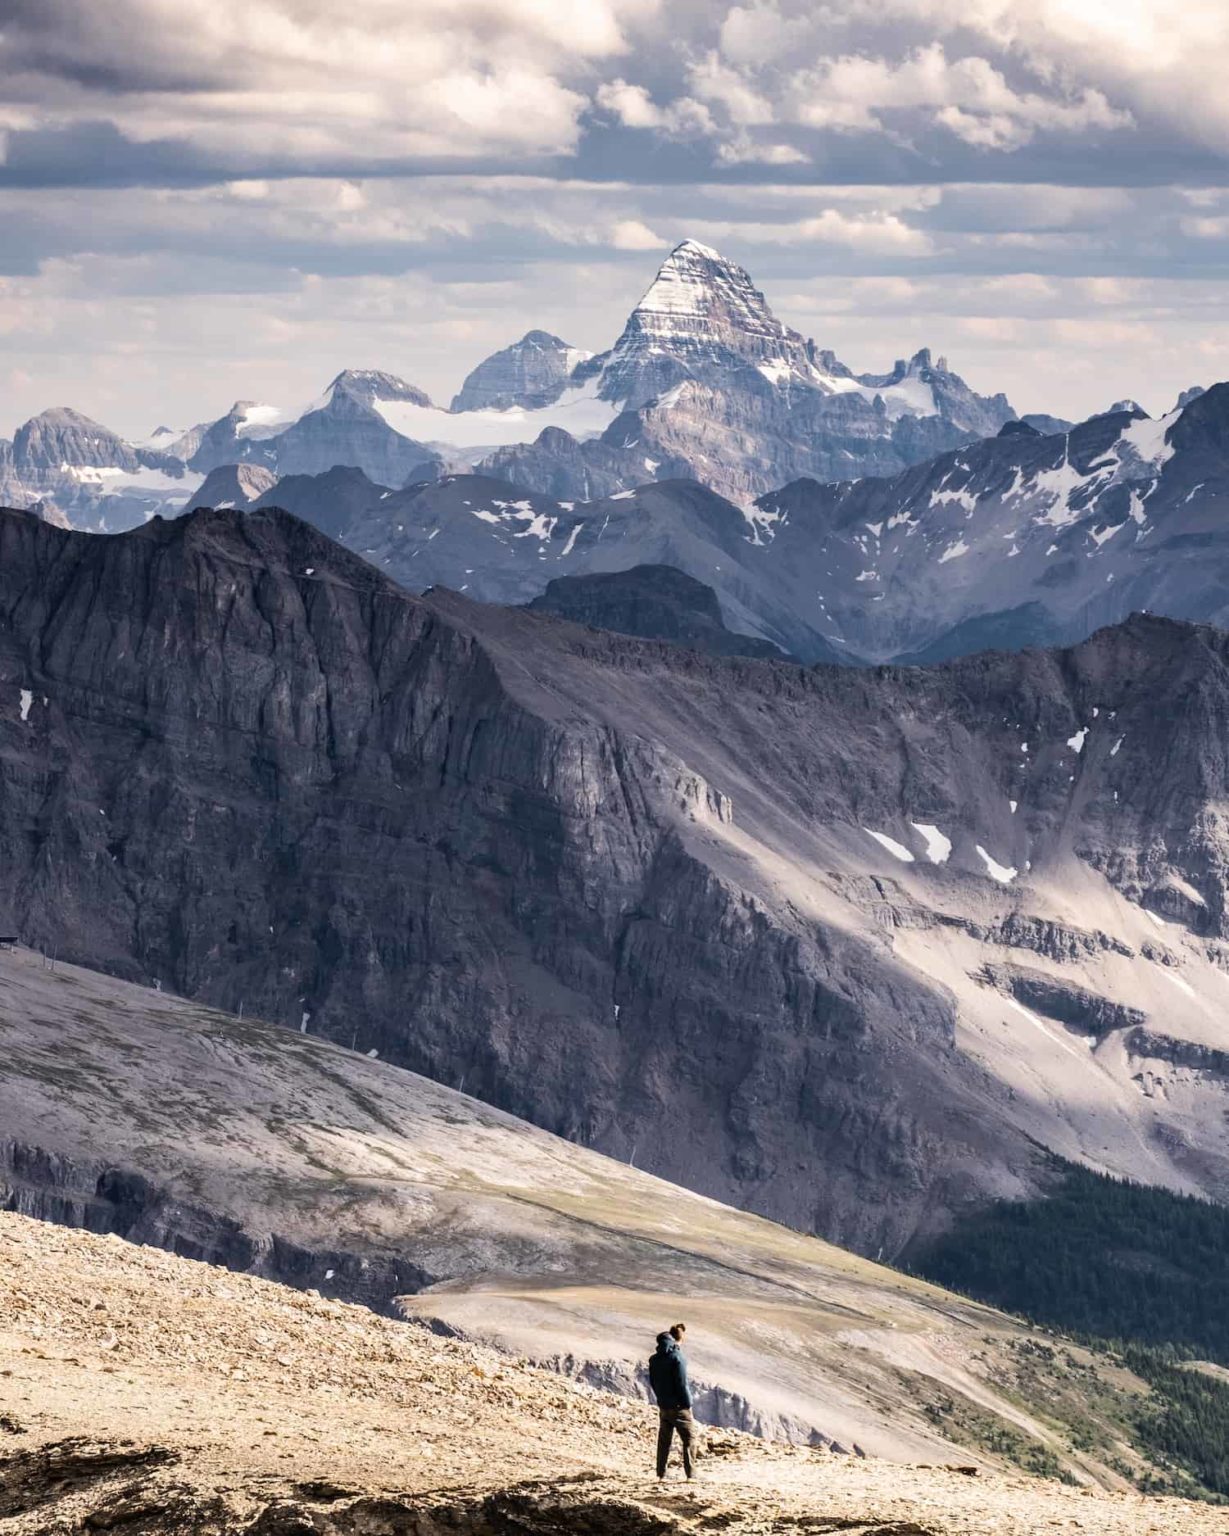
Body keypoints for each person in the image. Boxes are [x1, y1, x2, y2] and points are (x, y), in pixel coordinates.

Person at [648, 1322, 698, 1480]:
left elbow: (653, 1382)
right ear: (680, 1338)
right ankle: (691, 1474)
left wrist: (661, 1399)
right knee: (689, 1439)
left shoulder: (654, 1359)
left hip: (663, 1405)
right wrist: (687, 1403)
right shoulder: (678, 1357)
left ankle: (661, 1473)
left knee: (664, 1441)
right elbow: (681, 1384)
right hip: (679, 1406)